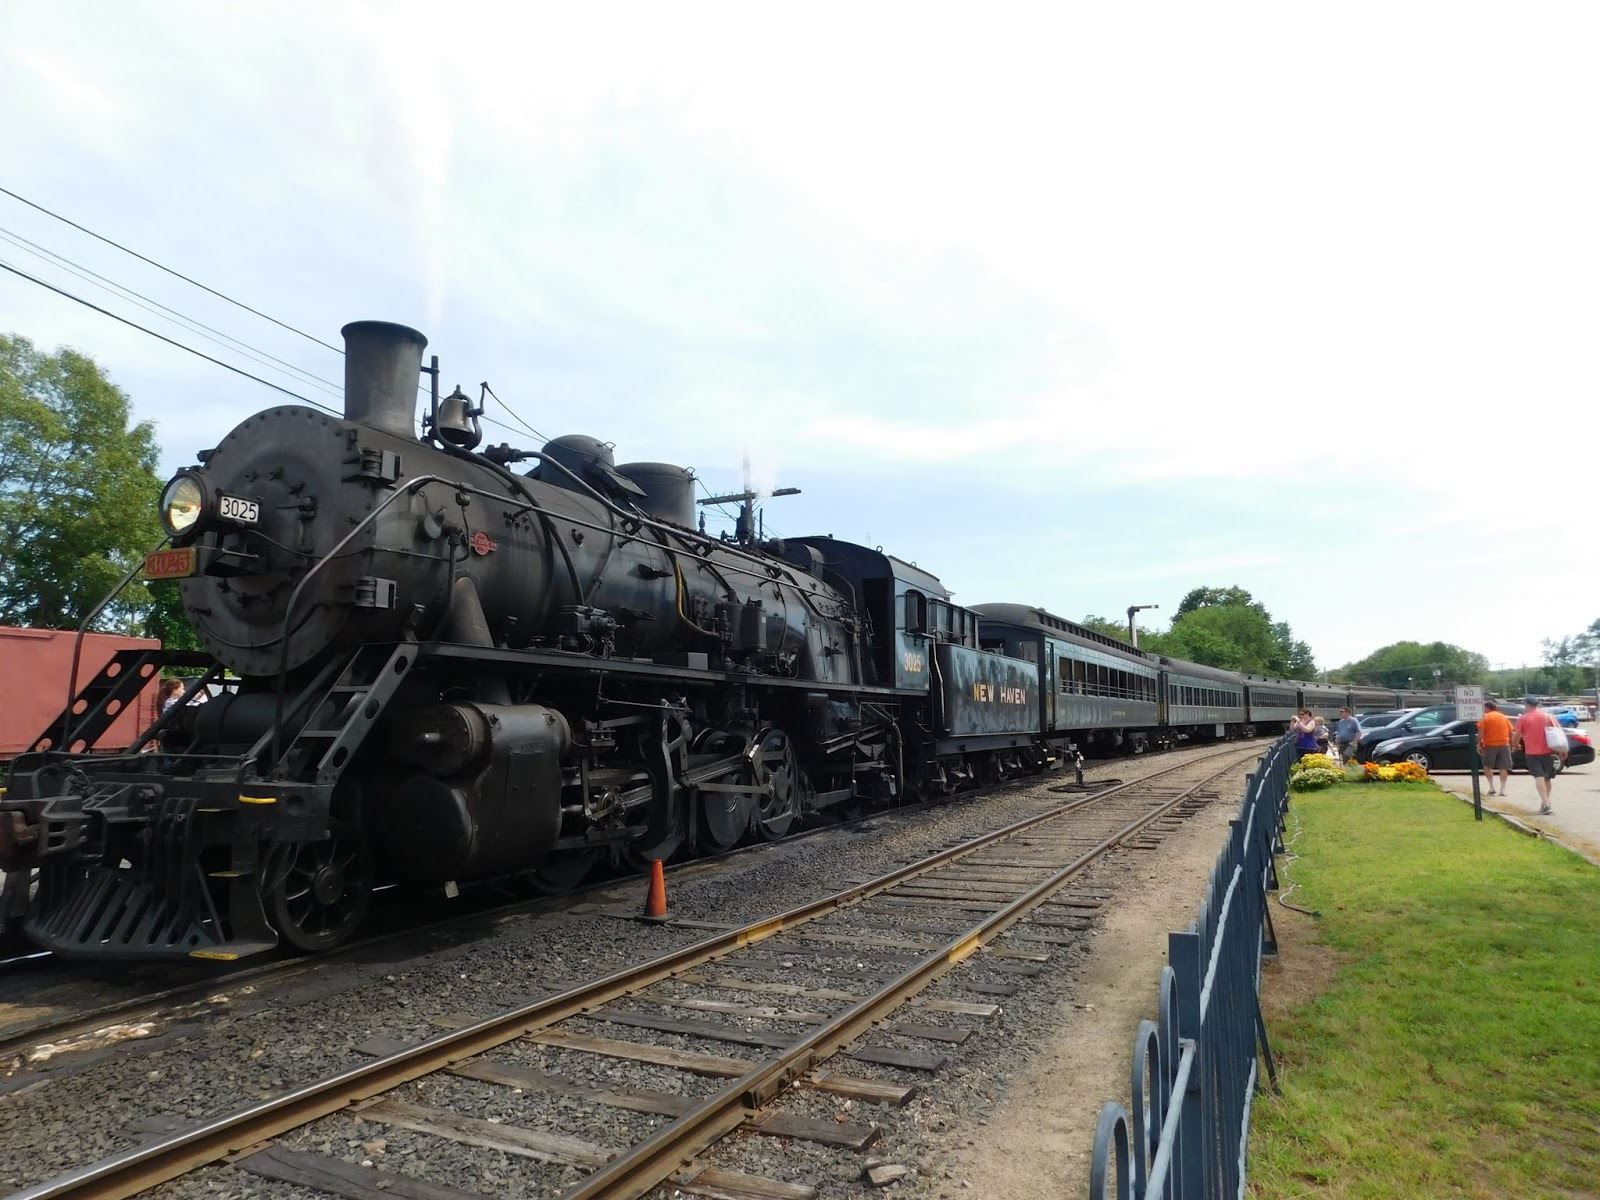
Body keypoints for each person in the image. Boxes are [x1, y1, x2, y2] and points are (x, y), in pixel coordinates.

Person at [1512, 695, 1564, 815]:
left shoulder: (1523, 718)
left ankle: (1545, 804)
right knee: (1547, 778)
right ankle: (1545, 802)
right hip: (1549, 752)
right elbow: (1558, 733)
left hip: (1532, 753)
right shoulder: (1548, 716)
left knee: (1538, 777)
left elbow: (1517, 735)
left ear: (1527, 704)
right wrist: (1562, 750)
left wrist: (1514, 746)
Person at [1476, 698, 1513, 796]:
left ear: (1487, 708)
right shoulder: (1503, 717)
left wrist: (1478, 744)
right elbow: (1510, 732)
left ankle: (1492, 787)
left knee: (1487, 766)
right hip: (1504, 744)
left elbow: (1480, 733)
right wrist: (1511, 743)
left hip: (1490, 744)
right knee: (1504, 767)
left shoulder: (1484, 717)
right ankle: (1502, 789)